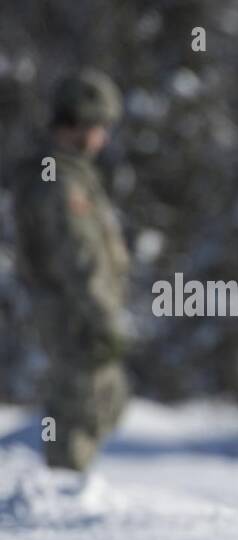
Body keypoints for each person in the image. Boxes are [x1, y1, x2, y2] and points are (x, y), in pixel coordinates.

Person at [14, 69, 130, 472]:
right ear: (81, 125)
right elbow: (81, 258)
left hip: (71, 313)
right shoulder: (61, 181)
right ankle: (65, 498)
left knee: (88, 404)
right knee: (78, 409)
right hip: (76, 316)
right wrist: (102, 320)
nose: (104, 139)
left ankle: (66, 490)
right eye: (100, 127)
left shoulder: (59, 173)